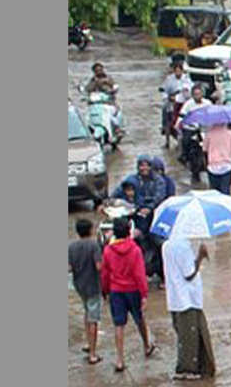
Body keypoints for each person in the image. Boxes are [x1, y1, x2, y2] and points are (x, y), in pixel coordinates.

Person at [100, 216, 157, 373]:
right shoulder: (135, 250)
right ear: (128, 232)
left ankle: (120, 359)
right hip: (133, 290)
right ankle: (146, 345)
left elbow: (105, 274)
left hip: (116, 291)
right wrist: (144, 294)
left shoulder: (108, 251)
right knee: (139, 319)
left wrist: (105, 290)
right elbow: (140, 274)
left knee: (119, 325)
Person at [115, 157, 177, 287]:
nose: (144, 168)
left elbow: (159, 196)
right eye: (141, 165)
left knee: (160, 245)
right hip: (136, 219)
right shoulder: (133, 180)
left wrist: (149, 207)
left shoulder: (159, 181)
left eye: (146, 165)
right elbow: (118, 192)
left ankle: (164, 276)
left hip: (155, 218)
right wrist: (107, 203)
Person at [162, 230, 215, 379]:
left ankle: (190, 367)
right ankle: (189, 369)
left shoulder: (166, 245)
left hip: (175, 298)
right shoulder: (182, 246)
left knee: (183, 335)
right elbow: (189, 273)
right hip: (187, 299)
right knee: (191, 336)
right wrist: (200, 257)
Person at [69, 217, 105, 366]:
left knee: (87, 312)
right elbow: (98, 266)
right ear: (90, 230)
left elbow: (69, 267)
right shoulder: (94, 246)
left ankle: (88, 343)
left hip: (79, 285)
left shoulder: (72, 247)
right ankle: (92, 353)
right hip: (93, 285)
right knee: (93, 318)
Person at [203, 119, 231, 195]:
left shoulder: (209, 134)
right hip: (226, 167)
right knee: (226, 193)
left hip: (212, 168)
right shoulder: (230, 134)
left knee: (214, 194)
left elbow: (205, 149)